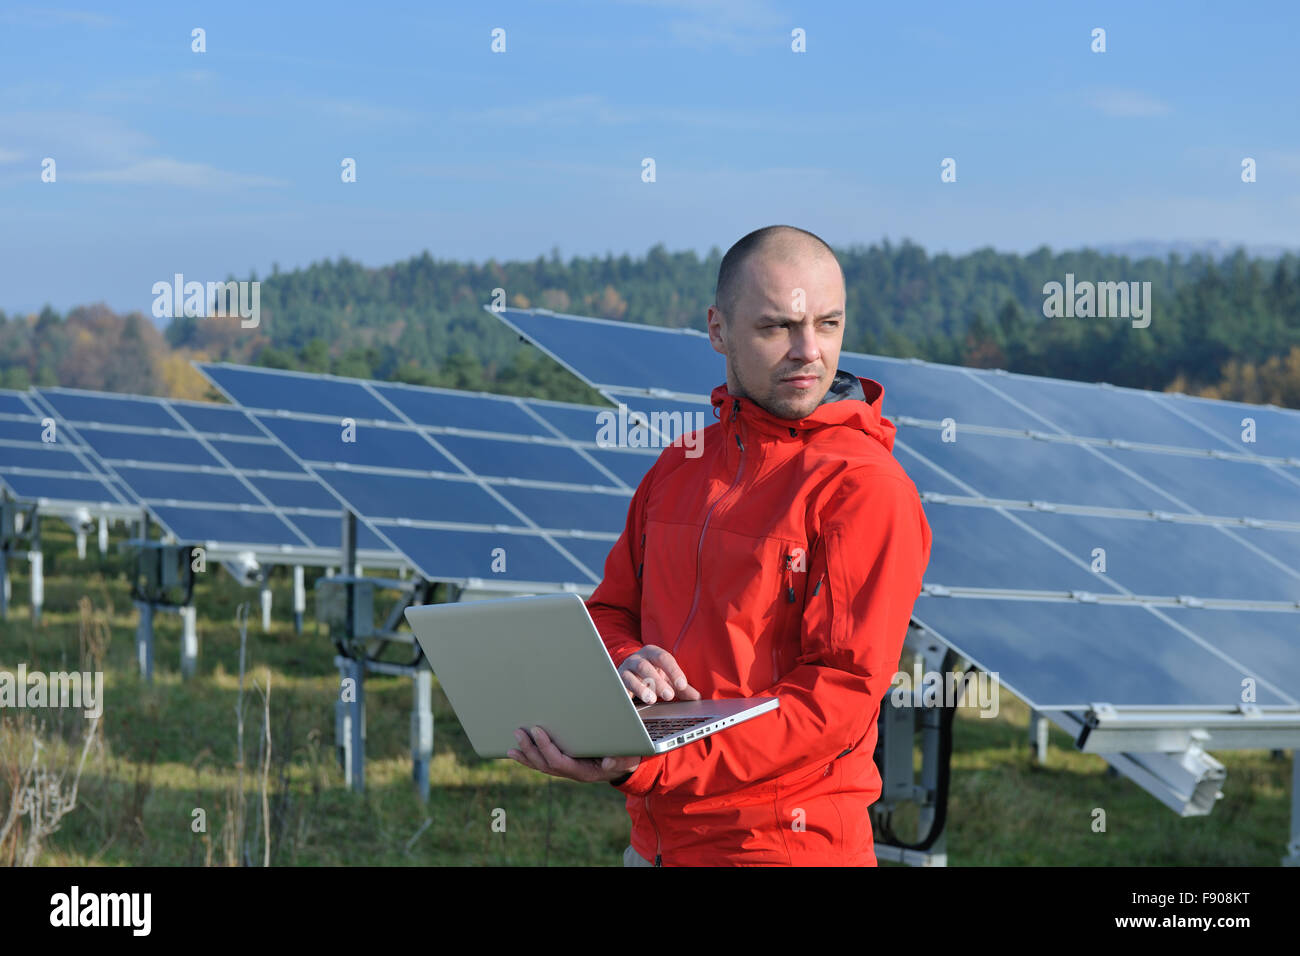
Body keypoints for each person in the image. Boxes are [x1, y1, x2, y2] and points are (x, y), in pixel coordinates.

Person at [507, 224, 932, 865]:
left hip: (783, 850)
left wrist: (654, 759)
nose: (808, 351)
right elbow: (612, 612)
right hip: (653, 846)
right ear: (717, 330)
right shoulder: (679, 466)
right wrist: (625, 664)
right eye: (775, 328)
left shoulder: (863, 487)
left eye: (827, 324)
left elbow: (836, 699)